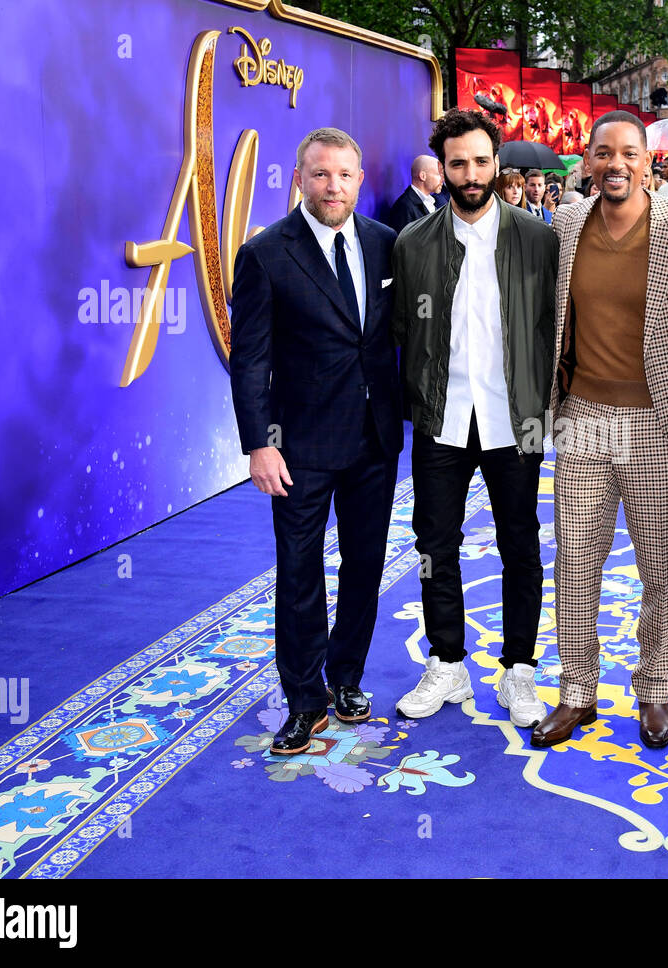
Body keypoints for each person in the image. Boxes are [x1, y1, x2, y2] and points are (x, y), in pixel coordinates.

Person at [531, 111, 668, 750]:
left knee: (661, 564)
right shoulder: (567, 222)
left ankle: (654, 686)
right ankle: (577, 691)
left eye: (629, 153)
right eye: (604, 152)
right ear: (588, 160)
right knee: (576, 559)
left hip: (658, 419)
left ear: (648, 162)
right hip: (581, 417)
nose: (616, 164)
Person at [229, 127, 402, 754]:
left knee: (365, 564)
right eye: (321, 173)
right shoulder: (265, 253)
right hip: (297, 445)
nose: (333, 186)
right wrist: (259, 442)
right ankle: (304, 700)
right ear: (299, 177)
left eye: (345, 175)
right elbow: (250, 359)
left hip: (374, 439)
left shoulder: (384, 243)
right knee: (300, 572)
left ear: (360, 180)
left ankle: (346, 677)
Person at [391, 109, 558, 727]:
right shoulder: (413, 244)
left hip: (515, 419)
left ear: (497, 164)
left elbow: (552, 328)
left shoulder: (538, 239)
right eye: (457, 163)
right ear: (442, 169)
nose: (470, 174)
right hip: (442, 419)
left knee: (521, 544)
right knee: (435, 544)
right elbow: (403, 330)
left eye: (481, 161)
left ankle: (520, 670)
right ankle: (447, 663)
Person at [386, 154, 444, 234]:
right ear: (423, 176)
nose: (443, 180)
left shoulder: (434, 202)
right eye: (439, 174)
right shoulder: (404, 207)